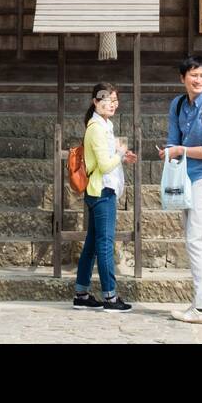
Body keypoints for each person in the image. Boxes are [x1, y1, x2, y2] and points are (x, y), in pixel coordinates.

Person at [160, 55, 202, 324]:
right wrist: (168, 151)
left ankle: (200, 309)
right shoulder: (177, 105)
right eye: (193, 75)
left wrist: (179, 150)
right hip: (186, 179)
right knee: (198, 241)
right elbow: (173, 140)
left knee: (195, 240)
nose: (199, 80)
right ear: (182, 79)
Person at [73, 81, 138, 312]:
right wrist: (120, 154)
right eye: (106, 99)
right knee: (105, 244)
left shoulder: (103, 126)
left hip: (99, 191)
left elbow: (108, 161)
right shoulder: (97, 128)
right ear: (95, 102)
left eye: (114, 100)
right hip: (102, 192)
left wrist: (122, 156)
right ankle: (110, 297)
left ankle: (81, 294)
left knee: (92, 245)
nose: (111, 103)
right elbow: (104, 165)